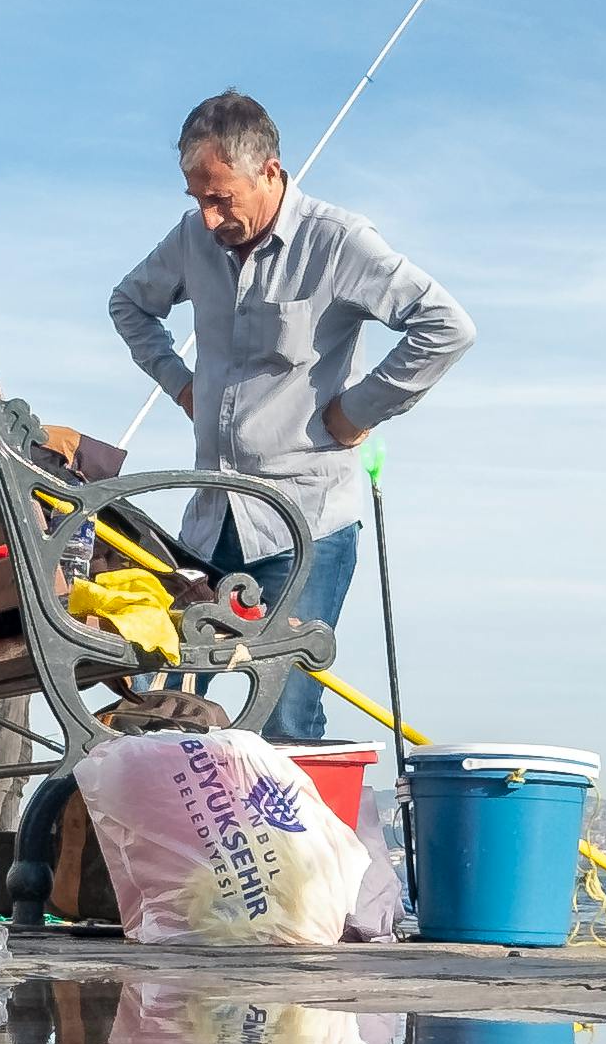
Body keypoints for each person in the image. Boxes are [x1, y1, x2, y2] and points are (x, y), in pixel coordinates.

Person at [107, 92, 470, 745]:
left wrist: (357, 412)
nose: (208, 217)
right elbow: (129, 304)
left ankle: (295, 845)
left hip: (305, 525)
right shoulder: (193, 237)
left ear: (270, 172)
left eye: (221, 198)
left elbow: (446, 327)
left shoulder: (339, 241)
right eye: (197, 199)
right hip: (210, 521)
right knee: (159, 712)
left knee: (284, 715)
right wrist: (180, 384)